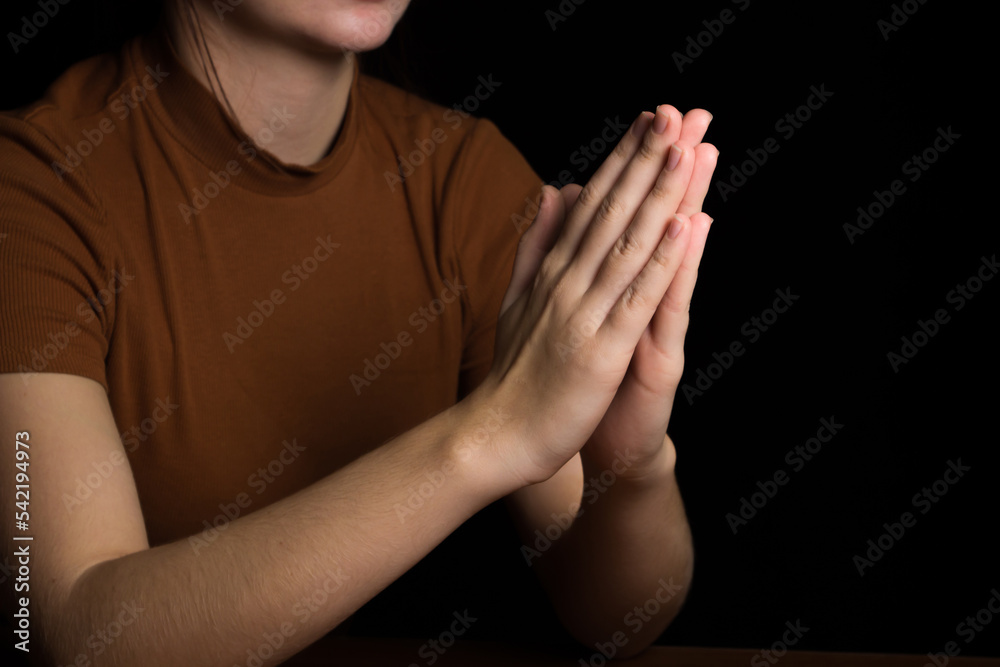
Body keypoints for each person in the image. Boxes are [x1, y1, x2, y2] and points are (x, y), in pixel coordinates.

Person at [0, 0, 718, 664]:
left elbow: (619, 620)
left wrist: (629, 465)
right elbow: (65, 625)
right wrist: (490, 434)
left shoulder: (462, 178)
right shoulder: (33, 186)